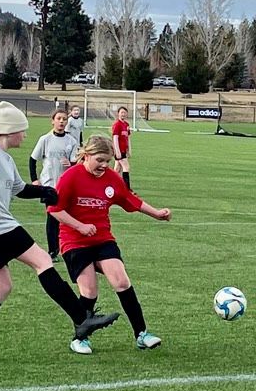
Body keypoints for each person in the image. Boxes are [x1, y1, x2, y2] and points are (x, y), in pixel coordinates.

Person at [0, 101, 118, 363]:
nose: (25, 135)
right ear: (10, 131)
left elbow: (19, 189)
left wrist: (44, 191)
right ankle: (82, 319)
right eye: (22, 130)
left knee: (0, 287)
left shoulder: (4, 158)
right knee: (42, 260)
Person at [49, 134, 171, 355]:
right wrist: (80, 226)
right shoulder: (71, 177)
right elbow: (55, 210)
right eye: (100, 160)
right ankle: (80, 338)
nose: (104, 165)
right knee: (90, 289)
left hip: (103, 239)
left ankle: (141, 334)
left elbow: (130, 200)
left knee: (121, 281)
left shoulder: (112, 178)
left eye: (108, 160)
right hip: (74, 241)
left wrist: (157, 214)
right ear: (86, 155)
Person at [29, 110, 79, 260]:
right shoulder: (45, 139)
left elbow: (75, 165)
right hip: (49, 186)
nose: (62, 122)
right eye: (59, 119)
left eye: (64, 119)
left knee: (66, 218)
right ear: (53, 121)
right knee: (52, 218)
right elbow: (33, 160)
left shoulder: (71, 141)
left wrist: (70, 164)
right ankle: (52, 251)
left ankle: (67, 247)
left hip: (65, 185)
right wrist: (35, 180)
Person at [111, 105, 132, 187]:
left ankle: (111, 185)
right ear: (118, 114)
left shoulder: (126, 124)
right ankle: (127, 188)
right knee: (126, 167)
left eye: (125, 113)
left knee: (117, 169)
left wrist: (129, 150)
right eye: (121, 112)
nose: (123, 114)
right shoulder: (117, 125)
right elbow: (115, 138)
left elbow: (128, 138)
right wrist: (117, 151)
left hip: (124, 150)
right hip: (119, 150)